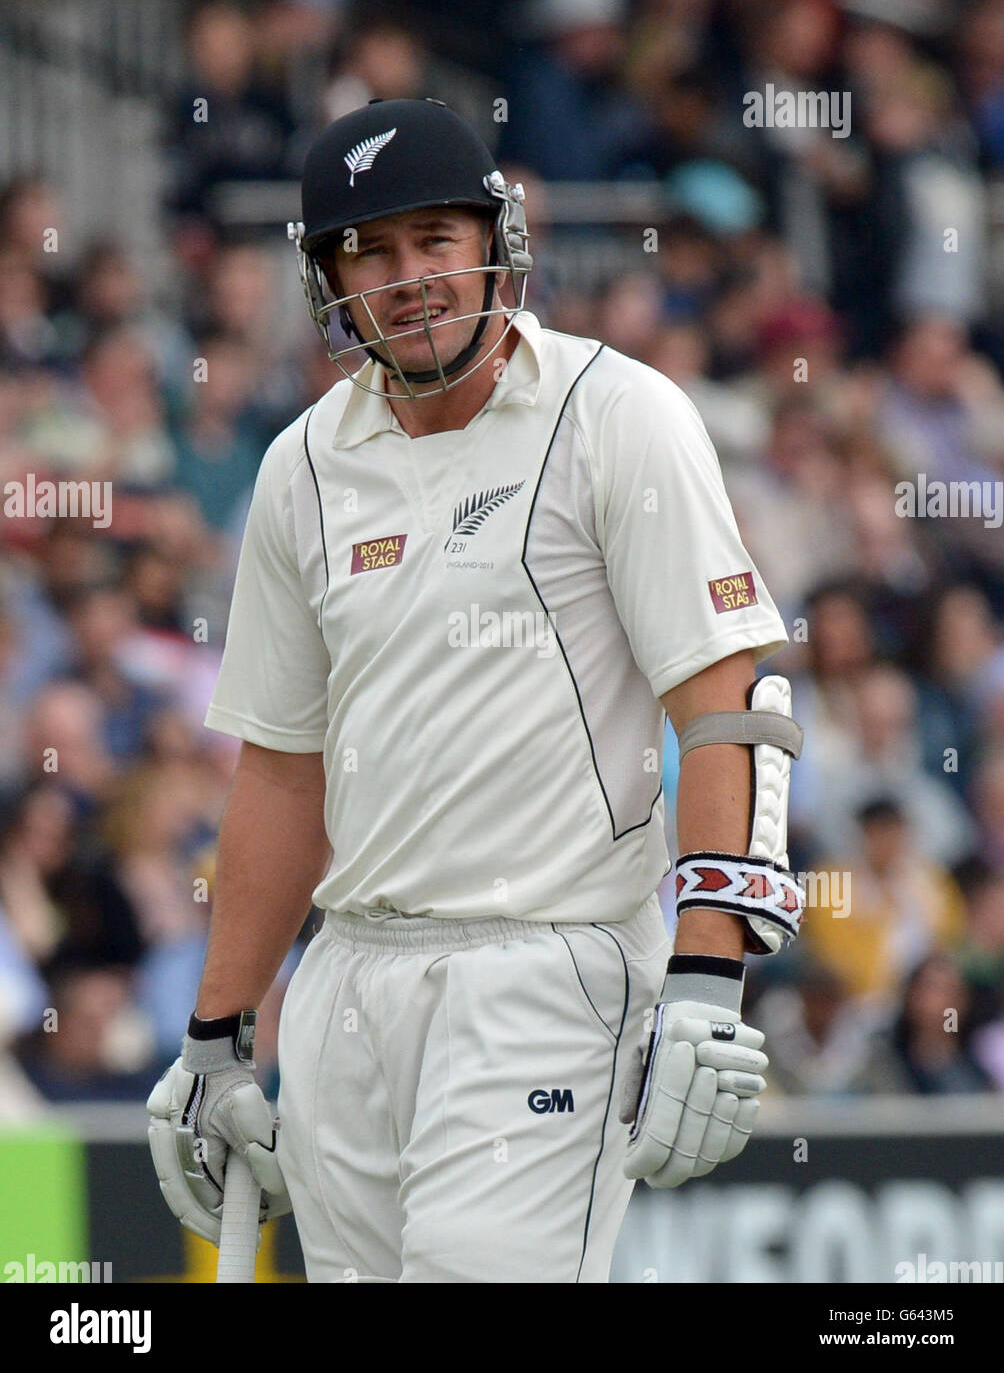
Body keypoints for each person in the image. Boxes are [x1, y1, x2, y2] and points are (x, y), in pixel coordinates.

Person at [148, 98, 803, 1284]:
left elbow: (728, 703)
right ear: (325, 277)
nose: (409, 279)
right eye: (372, 251)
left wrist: (708, 973)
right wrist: (218, 1034)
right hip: (345, 981)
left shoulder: (617, 413)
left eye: (434, 239)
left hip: (544, 970)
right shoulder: (300, 465)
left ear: (496, 240)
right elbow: (284, 770)